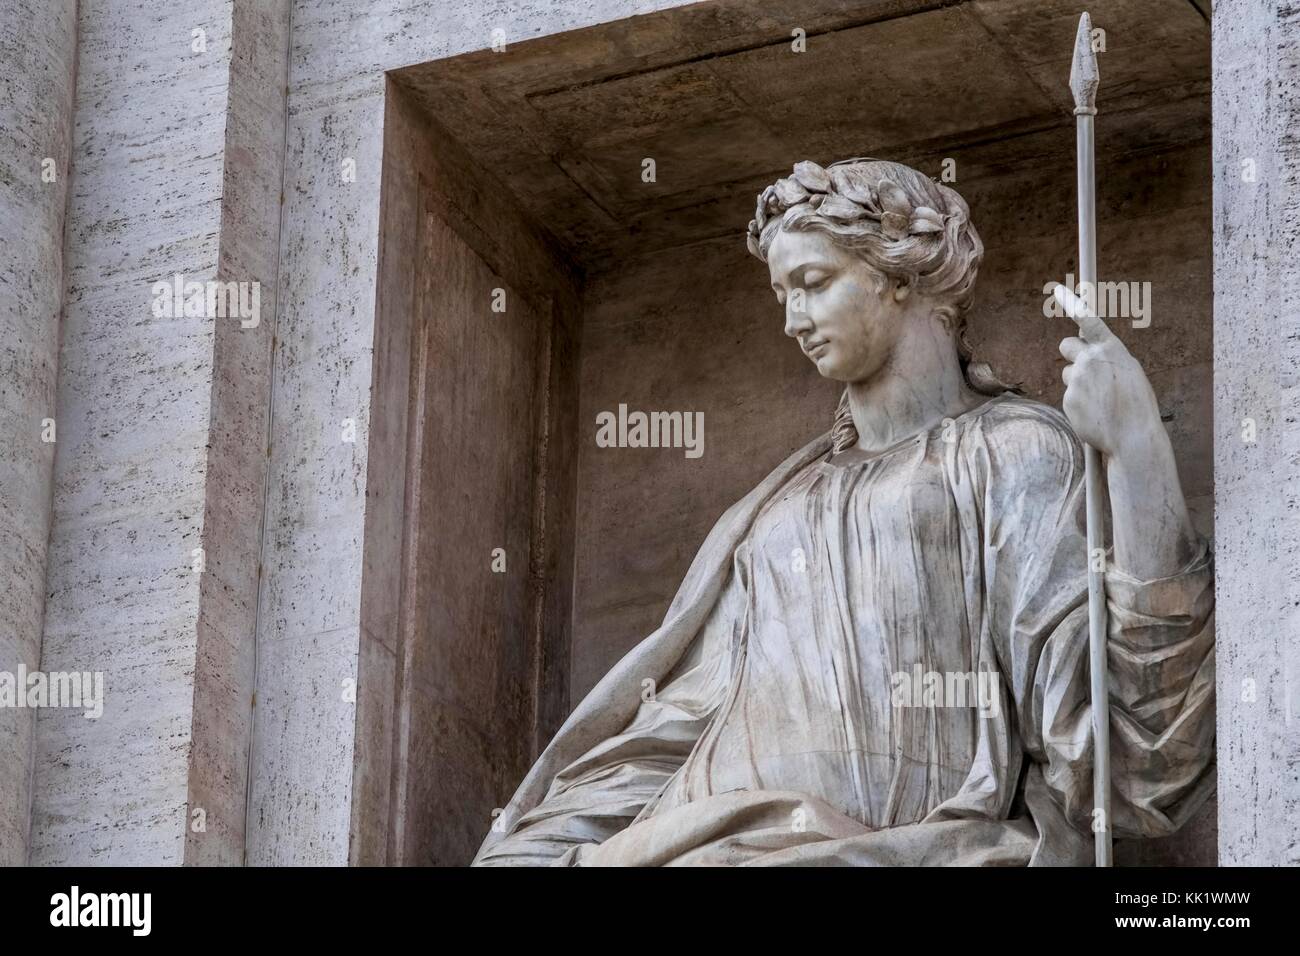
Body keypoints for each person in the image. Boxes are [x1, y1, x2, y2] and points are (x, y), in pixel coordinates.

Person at [472, 158, 1215, 866]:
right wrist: (537, 839)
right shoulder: (775, 510)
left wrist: (1138, 451)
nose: (794, 318)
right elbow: (680, 724)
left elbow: (1129, 758)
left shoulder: (1013, 453)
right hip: (698, 835)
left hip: (891, 849)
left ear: (899, 275)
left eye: (814, 282)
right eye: (782, 294)